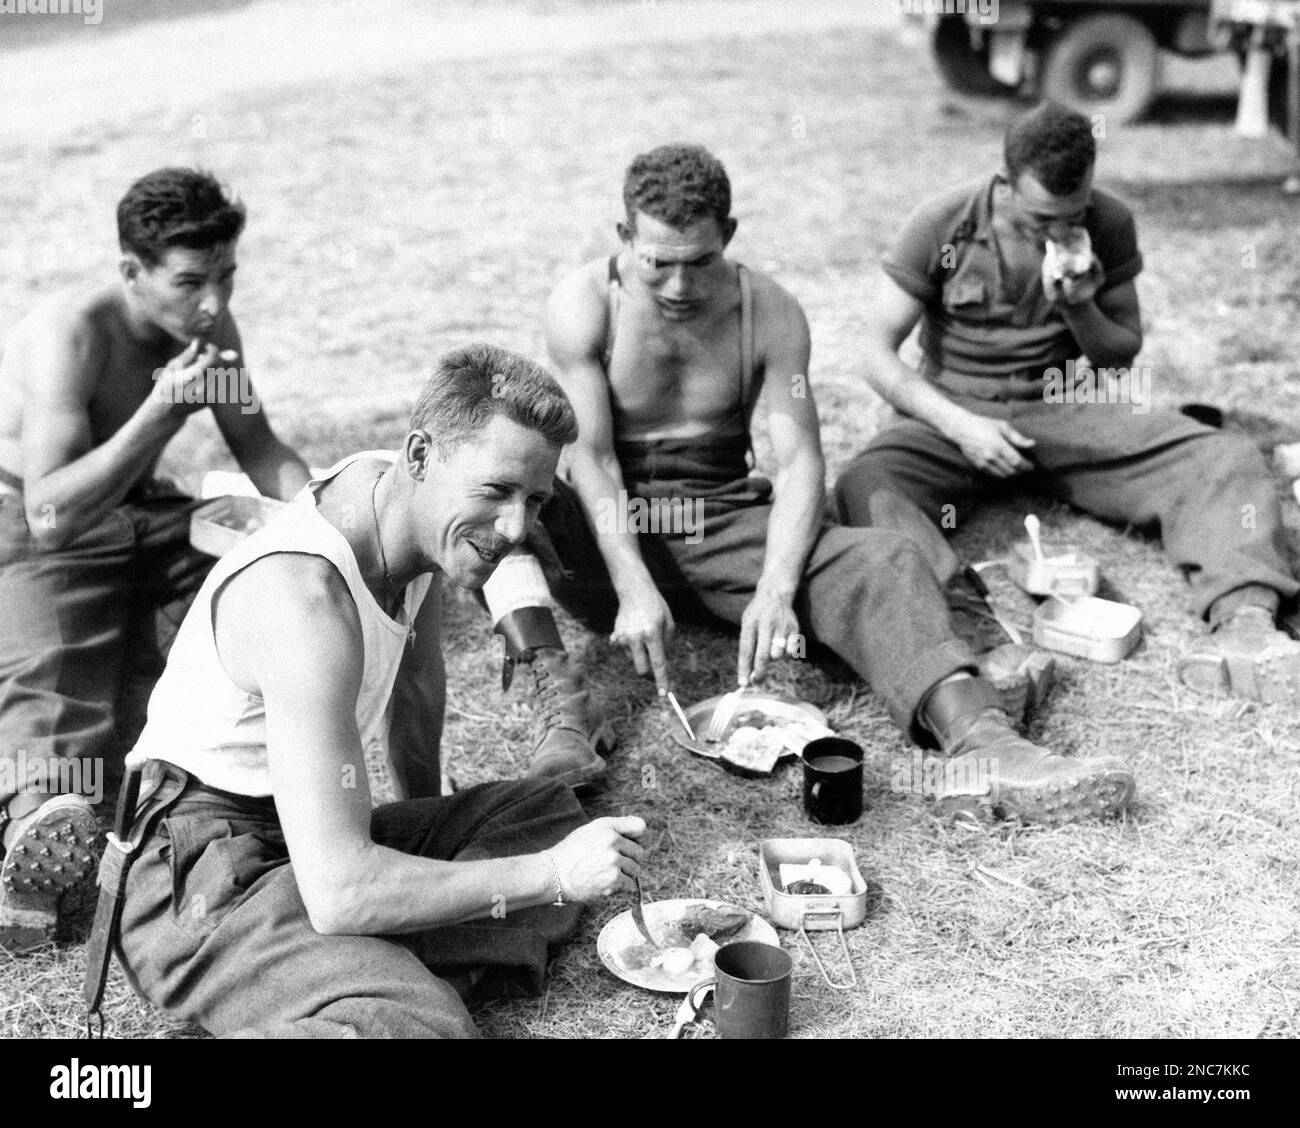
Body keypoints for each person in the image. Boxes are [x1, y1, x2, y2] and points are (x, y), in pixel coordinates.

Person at [479, 142, 1136, 825]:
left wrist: (775, 590)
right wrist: (633, 583)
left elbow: (797, 463)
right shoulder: (583, 304)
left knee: (883, 561)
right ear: (624, 238)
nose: (678, 287)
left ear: (729, 238)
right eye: (658, 265)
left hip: (722, 523)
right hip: (601, 531)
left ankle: (985, 743)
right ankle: (561, 704)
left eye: (700, 262)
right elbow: (594, 459)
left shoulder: (771, 312)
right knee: (492, 503)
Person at [106, 343, 645, 1038]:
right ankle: (365, 989)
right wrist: (549, 877)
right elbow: (336, 893)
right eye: (496, 491)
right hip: (198, 874)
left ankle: (347, 971)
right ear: (420, 455)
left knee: (547, 810)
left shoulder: (403, 512)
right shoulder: (305, 601)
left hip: (304, 831)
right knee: (419, 1021)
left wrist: (430, 845)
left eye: (534, 500)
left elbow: (414, 694)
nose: (516, 529)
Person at [832, 102, 1300, 703]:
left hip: (1062, 406)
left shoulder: (1107, 220)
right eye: (1040, 218)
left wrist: (1080, 305)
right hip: (954, 409)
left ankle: (1247, 626)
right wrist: (961, 425)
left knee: (1222, 459)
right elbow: (873, 351)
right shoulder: (944, 223)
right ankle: (973, 633)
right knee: (866, 486)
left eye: (1070, 214)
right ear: (1005, 184)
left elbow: (1117, 357)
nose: (1057, 230)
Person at [0, 168, 313, 951]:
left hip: (143, 506)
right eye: (190, 281)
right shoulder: (66, 335)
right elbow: (49, 514)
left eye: (227, 276)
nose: (213, 302)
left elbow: (263, 449)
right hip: (41, 519)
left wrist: (320, 525)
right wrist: (159, 410)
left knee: (242, 601)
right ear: (131, 272)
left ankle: (219, 792)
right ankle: (34, 831)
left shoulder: (211, 331)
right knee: (57, 660)